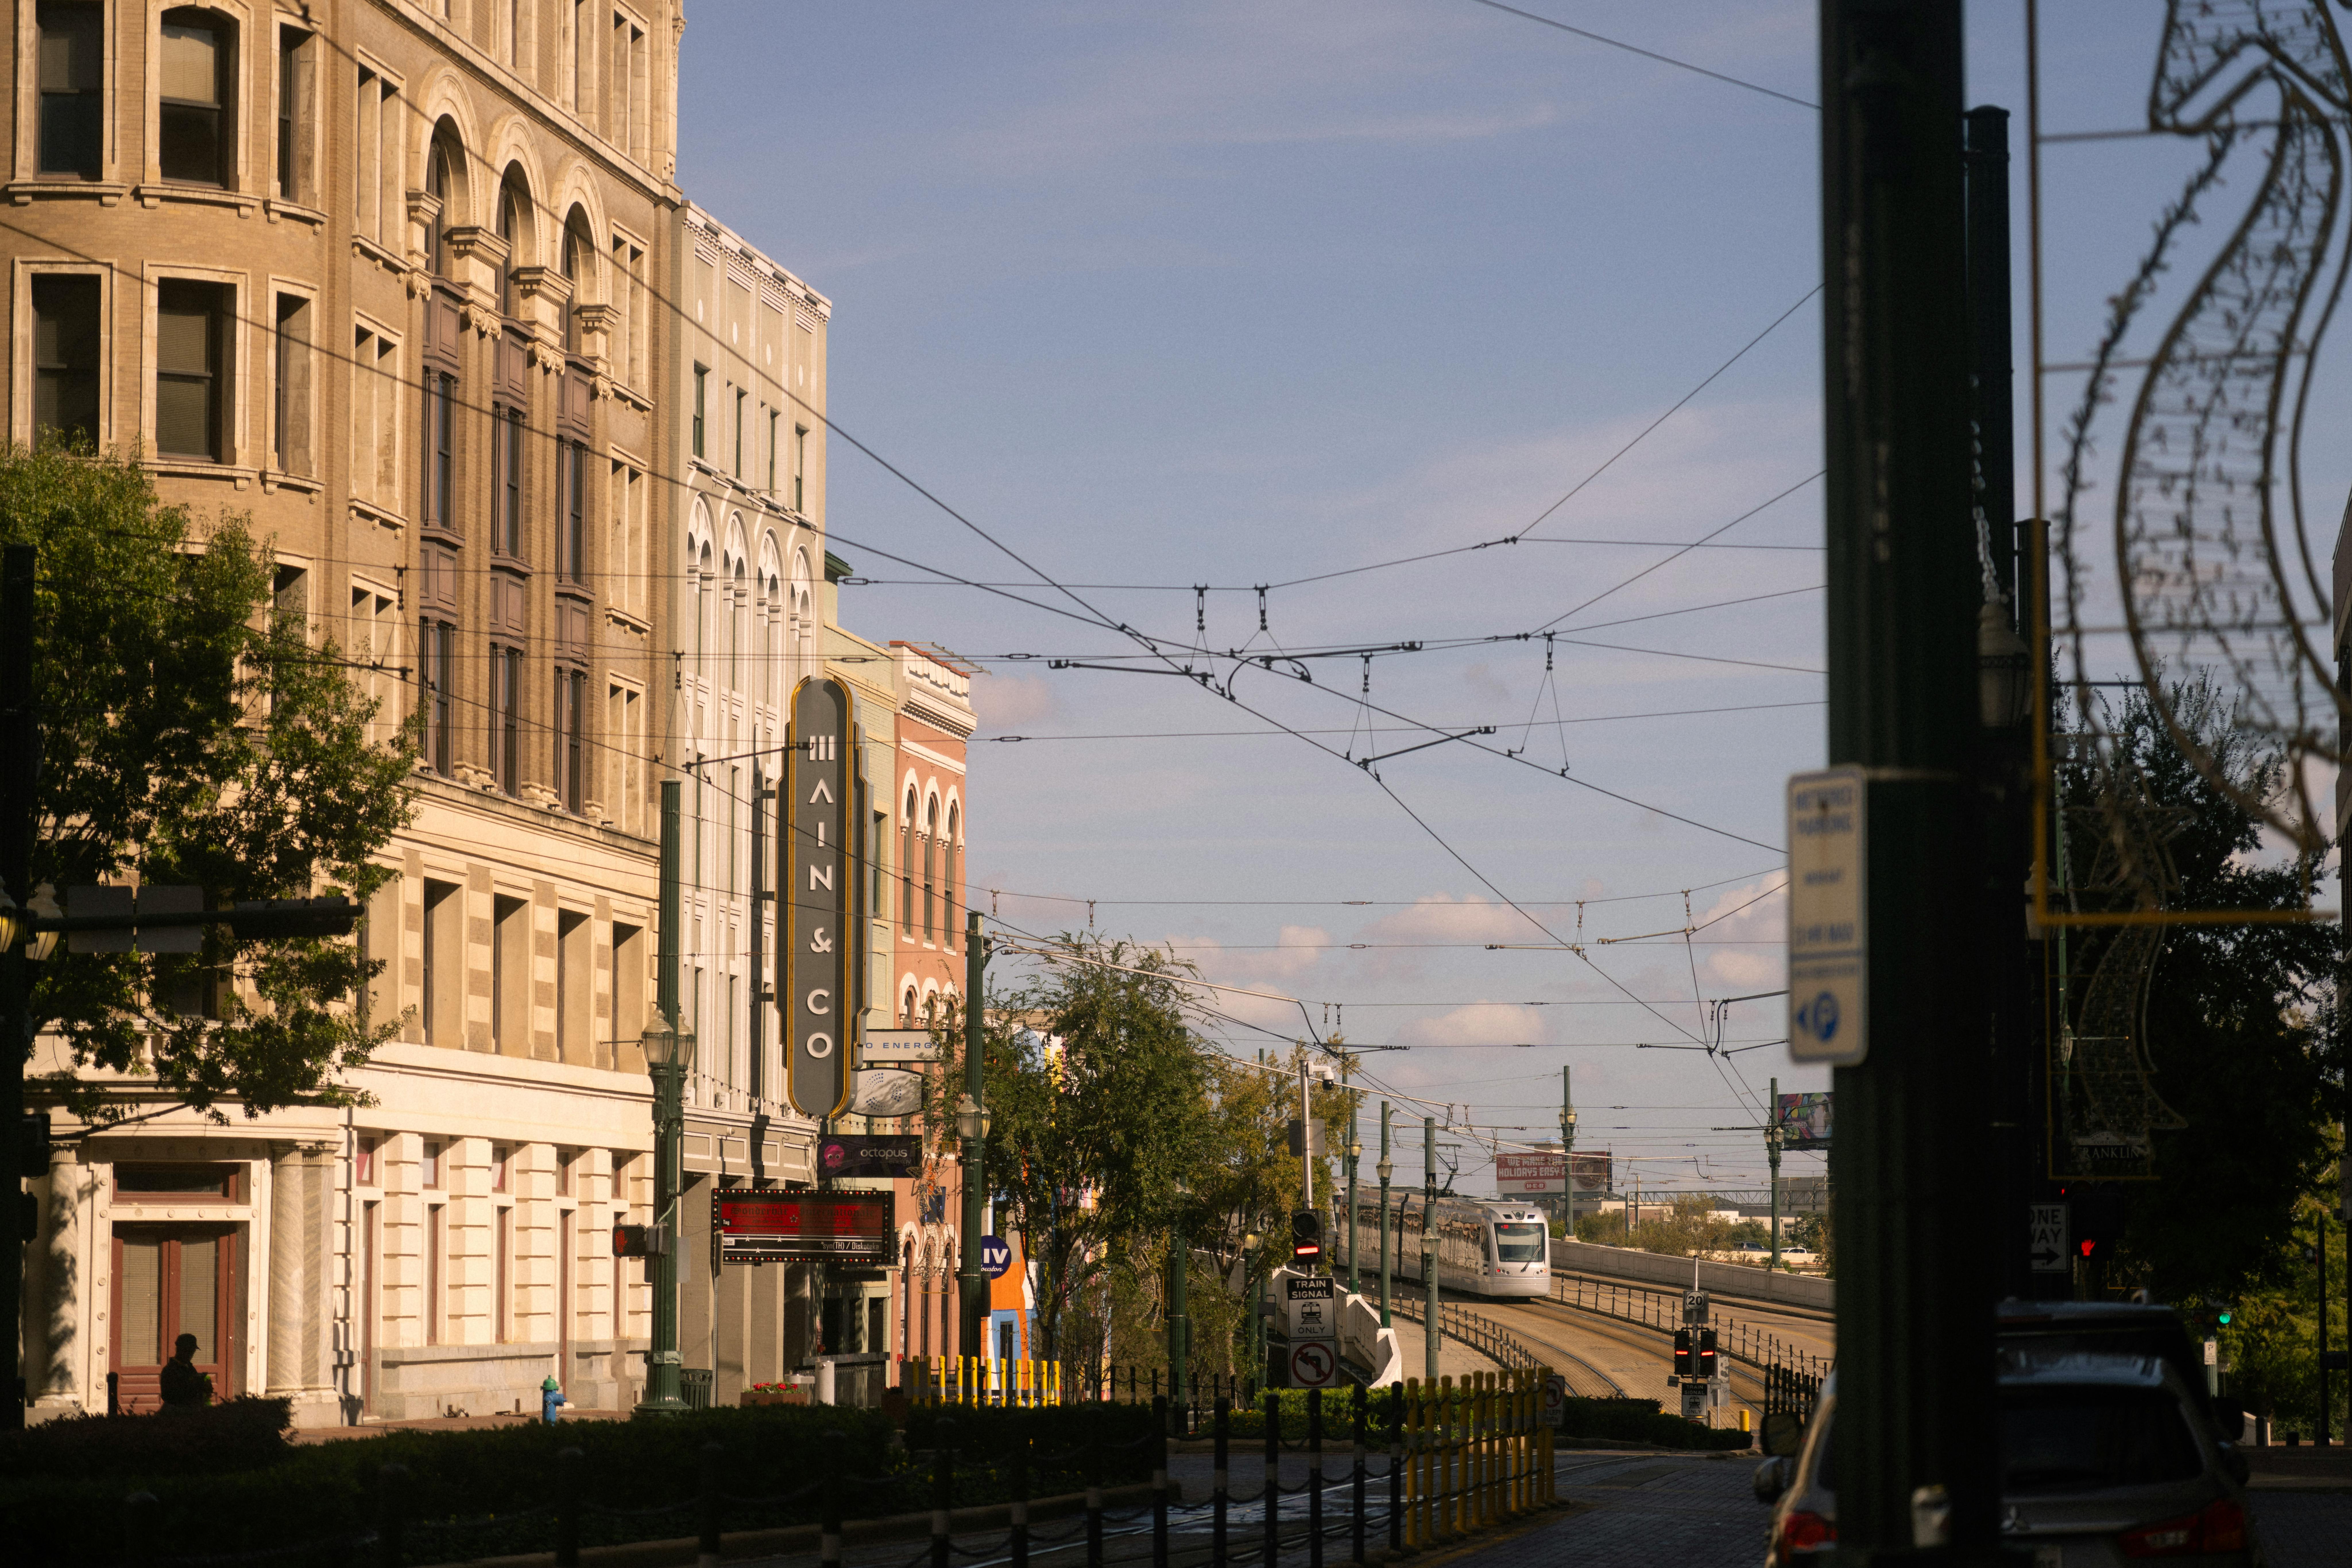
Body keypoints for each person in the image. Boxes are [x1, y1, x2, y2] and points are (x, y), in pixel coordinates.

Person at [158, 1333, 212, 1408]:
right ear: (180, 1350)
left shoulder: (191, 1368)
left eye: (193, 1351)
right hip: (178, 1415)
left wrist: (205, 1388)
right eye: (188, 1351)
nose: (191, 1354)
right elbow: (168, 1397)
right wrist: (192, 1385)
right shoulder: (170, 1371)